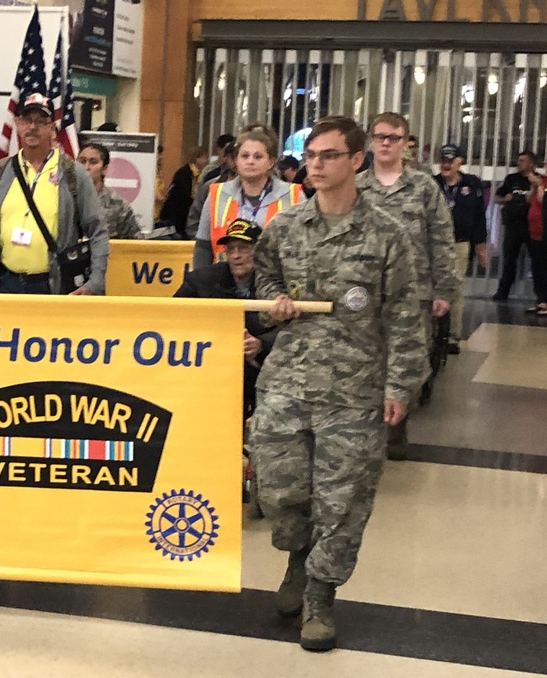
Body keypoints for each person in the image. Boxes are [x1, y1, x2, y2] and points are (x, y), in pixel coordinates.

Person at [251, 115, 427, 653]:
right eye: (311, 156)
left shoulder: (387, 235)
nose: (317, 165)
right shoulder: (285, 226)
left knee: (343, 501)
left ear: (357, 160)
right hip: (287, 381)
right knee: (279, 490)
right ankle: (297, 555)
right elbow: (263, 277)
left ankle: (321, 598)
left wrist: (400, 387)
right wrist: (274, 302)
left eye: (329, 155)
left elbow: (405, 316)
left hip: (354, 389)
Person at [355, 113, 457, 460]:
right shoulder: (355, 186)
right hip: (364, 292)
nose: (386, 143)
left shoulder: (424, 187)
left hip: (414, 291)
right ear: (370, 140)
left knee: (407, 361)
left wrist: (444, 289)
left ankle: (396, 427)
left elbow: (441, 238)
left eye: (394, 137)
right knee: (364, 361)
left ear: (405, 143)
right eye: (380, 136)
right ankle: (365, 433)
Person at [0, 93, 108, 295]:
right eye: (26, 120)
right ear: (17, 123)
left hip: (52, 286)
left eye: (41, 122)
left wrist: (94, 282)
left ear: (52, 128)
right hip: (5, 283)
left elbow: (98, 230)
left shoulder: (72, 173)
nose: (32, 127)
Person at [174, 219, 274, 420]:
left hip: (264, 366)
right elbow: (173, 318)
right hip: (213, 366)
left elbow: (294, 326)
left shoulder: (276, 280)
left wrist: (261, 344)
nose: (236, 256)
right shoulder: (201, 280)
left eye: (244, 249)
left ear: (260, 250)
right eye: (230, 249)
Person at [192, 127, 304, 270]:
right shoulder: (216, 194)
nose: (250, 161)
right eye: (244, 156)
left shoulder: (293, 195)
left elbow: (303, 251)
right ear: (235, 161)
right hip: (223, 286)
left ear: (270, 162)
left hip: (275, 286)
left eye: (258, 157)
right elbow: (203, 247)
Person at [433, 144, 488, 349]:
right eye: (443, 161)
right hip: (434, 246)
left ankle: (453, 336)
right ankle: (432, 334)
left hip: (460, 243)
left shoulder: (471, 184)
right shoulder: (432, 184)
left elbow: (479, 216)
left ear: (460, 161)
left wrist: (481, 245)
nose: (446, 165)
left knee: (453, 289)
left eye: (451, 160)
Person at [493, 151, 538, 301]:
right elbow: (496, 197)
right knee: (509, 261)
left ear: (531, 164)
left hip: (531, 226)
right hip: (513, 225)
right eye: (518, 160)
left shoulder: (537, 180)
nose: (519, 163)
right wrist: (505, 199)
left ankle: (542, 296)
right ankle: (502, 293)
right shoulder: (511, 179)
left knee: (537, 261)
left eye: (522, 161)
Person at [78, 141, 141, 239]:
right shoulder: (64, 198)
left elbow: (135, 244)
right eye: (82, 161)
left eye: (93, 162)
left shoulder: (118, 205)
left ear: (105, 169)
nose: (86, 167)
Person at [184, 134, 237, 238]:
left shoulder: (258, 189)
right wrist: (203, 243)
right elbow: (193, 221)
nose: (236, 162)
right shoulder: (212, 185)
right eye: (233, 157)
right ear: (226, 159)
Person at [158, 145, 208, 238]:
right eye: (204, 157)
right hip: (175, 217)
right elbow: (185, 195)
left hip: (183, 215)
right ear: (196, 158)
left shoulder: (198, 174)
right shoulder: (184, 173)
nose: (206, 160)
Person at [526, 157, 547, 315]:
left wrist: (540, 186)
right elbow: (531, 200)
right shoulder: (545, 181)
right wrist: (535, 186)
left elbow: (546, 202)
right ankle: (542, 299)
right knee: (539, 267)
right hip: (535, 231)